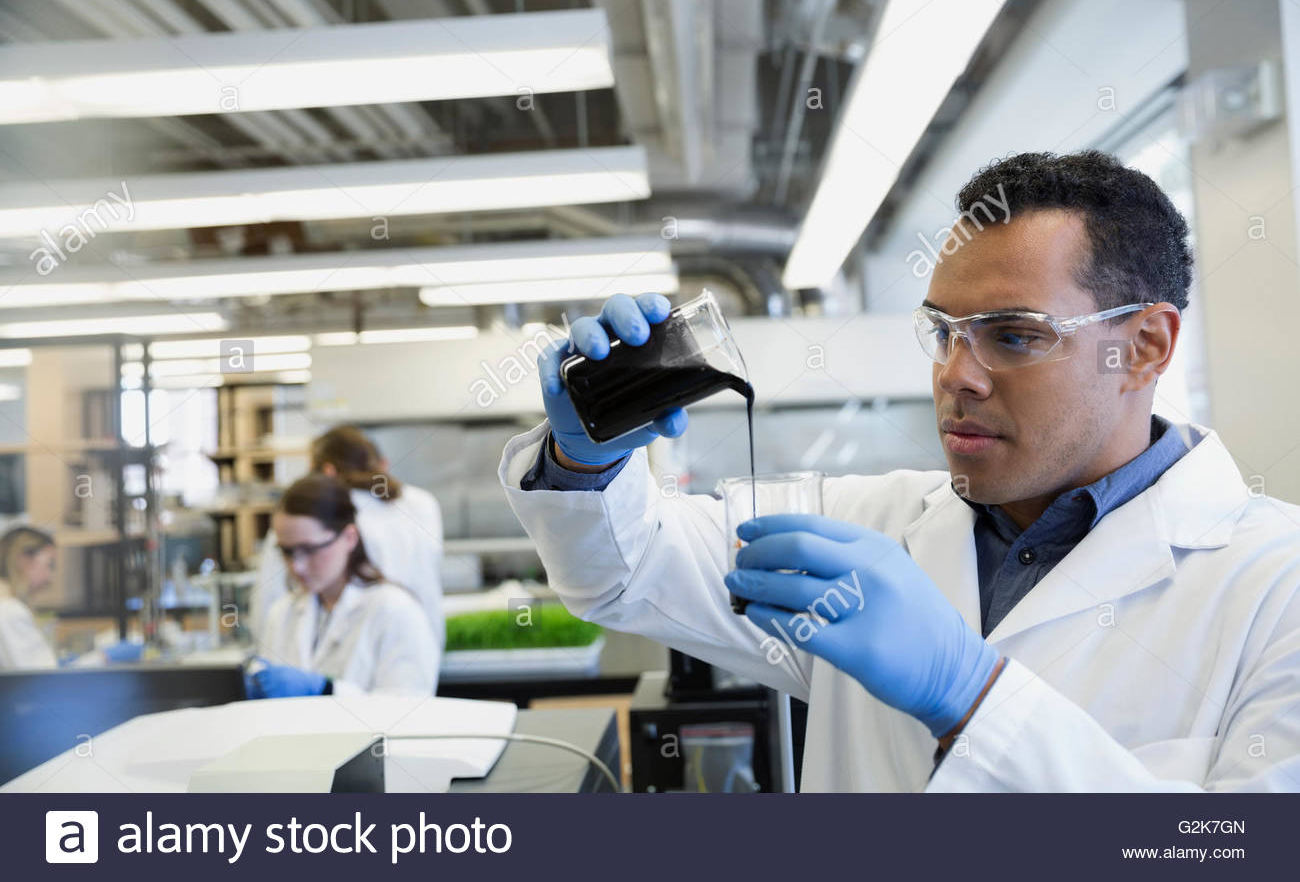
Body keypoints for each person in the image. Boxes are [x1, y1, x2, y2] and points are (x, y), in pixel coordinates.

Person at [499, 150, 1300, 792]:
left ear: (1148, 346)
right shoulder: (865, 531)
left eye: (1013, 335)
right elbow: (627, 570)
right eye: (943, 332)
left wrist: (971, 696)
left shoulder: (1276, 587)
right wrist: (586, 456)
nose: (958, 374)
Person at [250, 425, 445, 652]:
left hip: (355, 652)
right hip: (425, 643)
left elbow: (268, 600)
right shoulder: (420, 504)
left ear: (328, 472)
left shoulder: (320, 517)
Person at [247, 474, 438, 698]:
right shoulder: (282, 613)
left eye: (309, 549)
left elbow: (408, 711)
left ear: (349, 537)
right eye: (287, 551)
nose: (297, 566)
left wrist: (327, 690)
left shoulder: (396, 611)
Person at [0, 525, 57, 670]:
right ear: (23, 560)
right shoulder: (9, 610)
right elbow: (41, 679)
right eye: (49, 564)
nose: (50, 577)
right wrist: (102, 657)